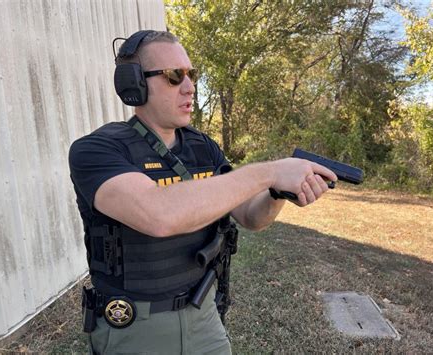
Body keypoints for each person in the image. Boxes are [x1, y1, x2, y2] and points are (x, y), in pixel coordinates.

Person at [68, 30, 337, 355]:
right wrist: (271, 171)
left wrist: (276, 192)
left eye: (191, 74)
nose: (190, 86)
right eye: (173, 76)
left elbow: (250, 216)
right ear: (134, 84)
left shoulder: (203, 148)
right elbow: (158, 214)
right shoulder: (98, 150)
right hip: (134, 329)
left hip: (203, 316)